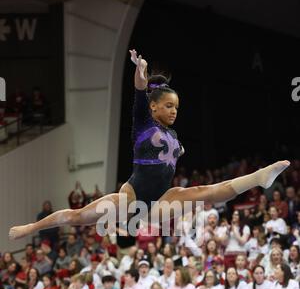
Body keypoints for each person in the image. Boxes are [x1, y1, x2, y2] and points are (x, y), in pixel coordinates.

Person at [9, 49, 290, 240]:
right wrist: (141, 71)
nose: (174, 111)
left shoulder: (174, 136)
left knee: (207, 193)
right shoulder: (143, 122)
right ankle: (31, 227)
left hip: (158, 202)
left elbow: (171, 154)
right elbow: (140, 89)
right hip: (130, 199)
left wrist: (178, 150)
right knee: (77, 216)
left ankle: (259, 177)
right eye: (168, 106)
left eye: (176, 107)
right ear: (153, 107)